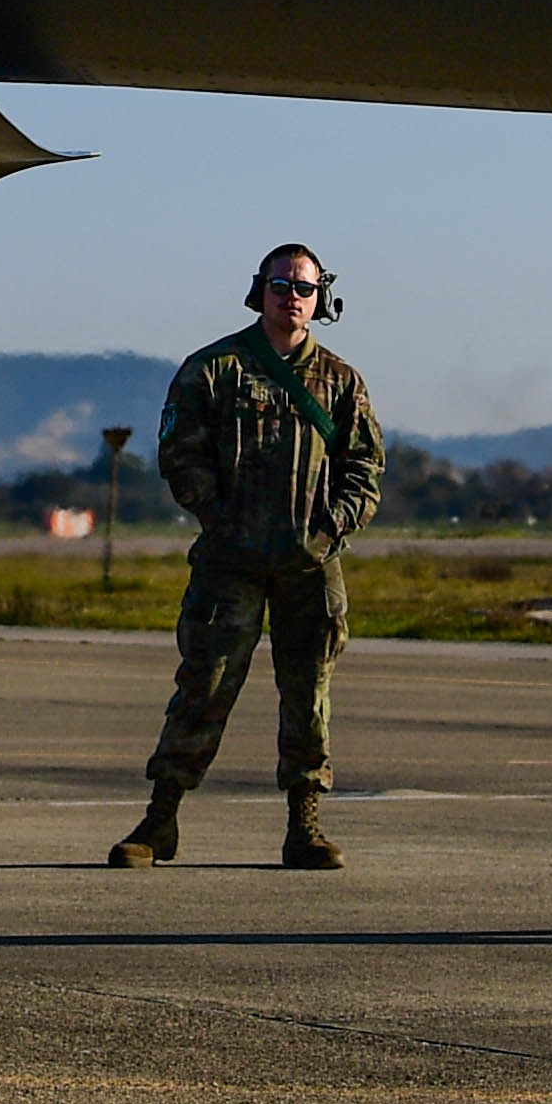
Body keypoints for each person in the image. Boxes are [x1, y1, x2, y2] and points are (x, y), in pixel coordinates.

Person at [107, 241, 384, 870]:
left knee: (309, 694)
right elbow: (181, 456)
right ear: (259, 291)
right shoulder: (214, 369)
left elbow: (365, 466)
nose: (293, 297)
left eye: (304, 288)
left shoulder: (340, 381)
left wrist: (331, 525)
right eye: (281, 285)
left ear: (322, 298)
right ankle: (161, 820)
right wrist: (220, 518)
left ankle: (304, 825)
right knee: (203, 687)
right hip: (230, 561)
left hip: (309, 566)